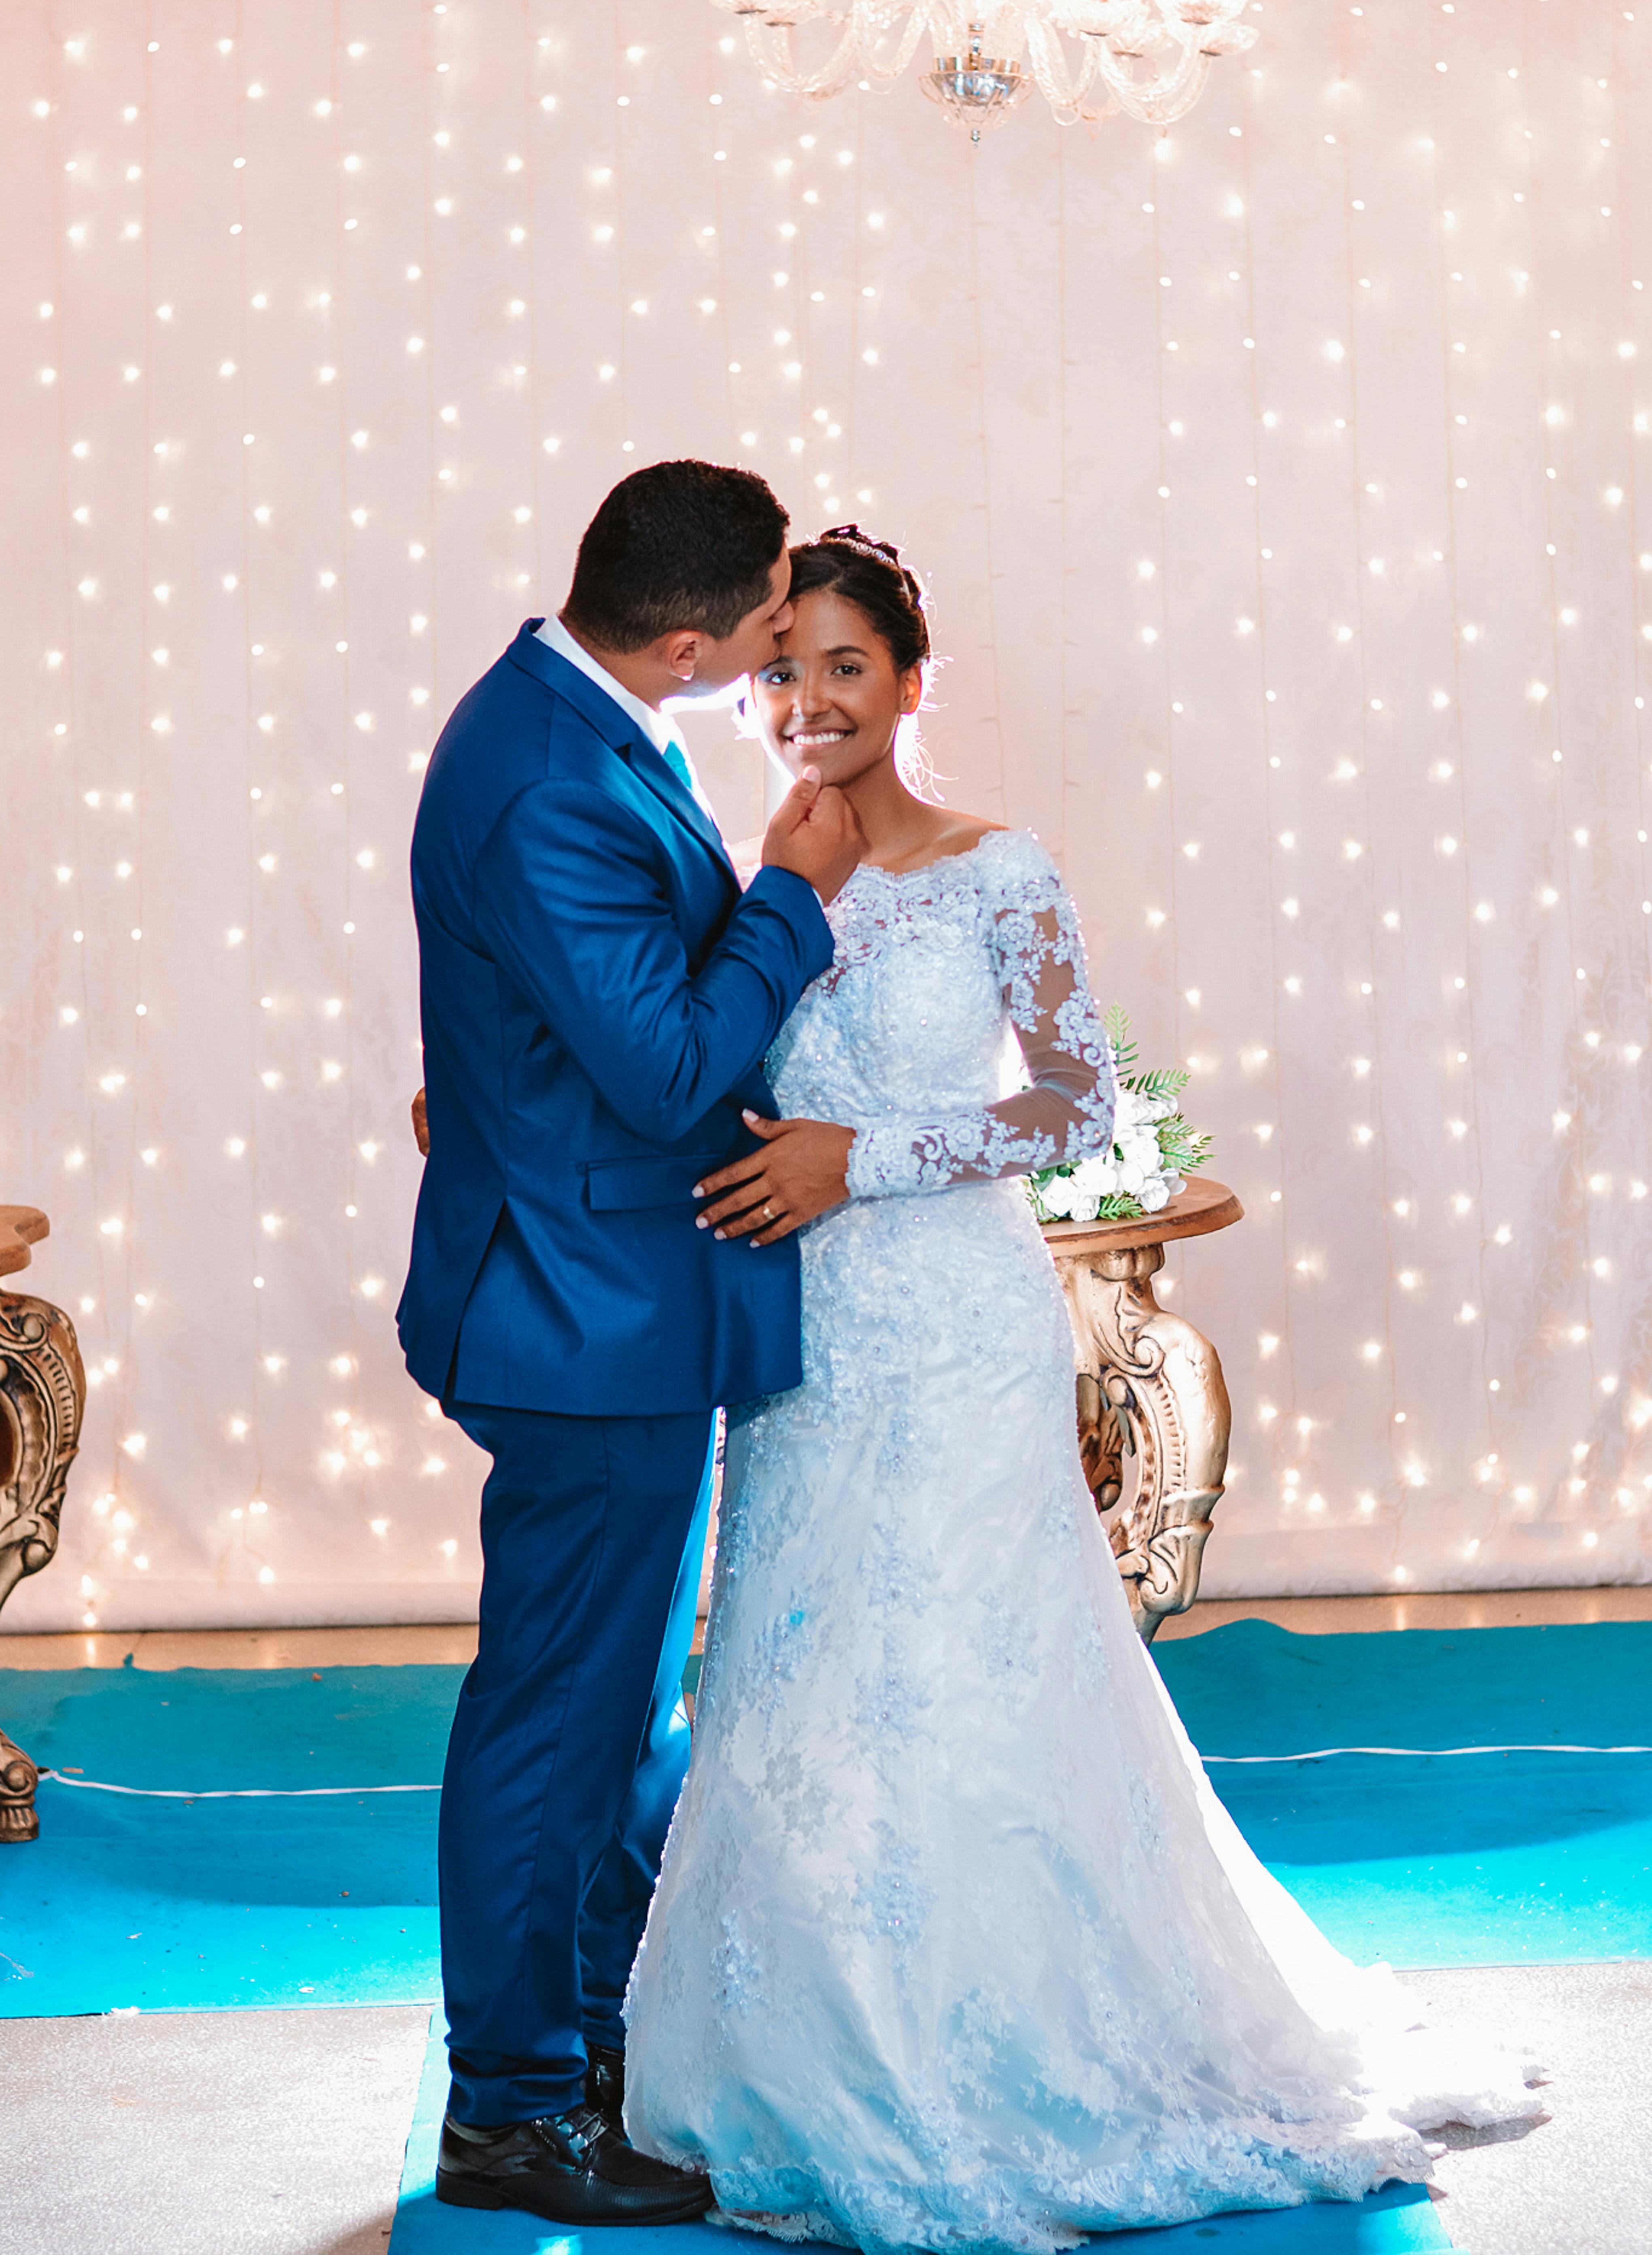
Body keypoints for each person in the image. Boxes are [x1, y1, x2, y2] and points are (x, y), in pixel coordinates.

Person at [622, 528, 1537, 2248]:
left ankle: (1020, 2041)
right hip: (801, 1342)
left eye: (844, 666)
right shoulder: (753, 880)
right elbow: (687, 1075)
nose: (809, 700)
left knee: (972, 1661)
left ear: (908, 680)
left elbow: (1064, 1104)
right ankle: (800, 2036)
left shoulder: (997, 867)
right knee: (801, 1659)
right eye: (781, 670)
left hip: (955, 1324)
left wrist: (861, 1158)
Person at [396, 461, 862, 2227]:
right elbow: (666, 1066)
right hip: (580, 1318)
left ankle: (586, 2049)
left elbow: (550, 1015)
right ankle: (512, 2111)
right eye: (759, 632)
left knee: (610, 1718)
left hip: (612, 1297)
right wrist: (793, 897)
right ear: (682, 632)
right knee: (557, 1725)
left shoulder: (579, 718)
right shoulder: (546, 780)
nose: (773, 663)